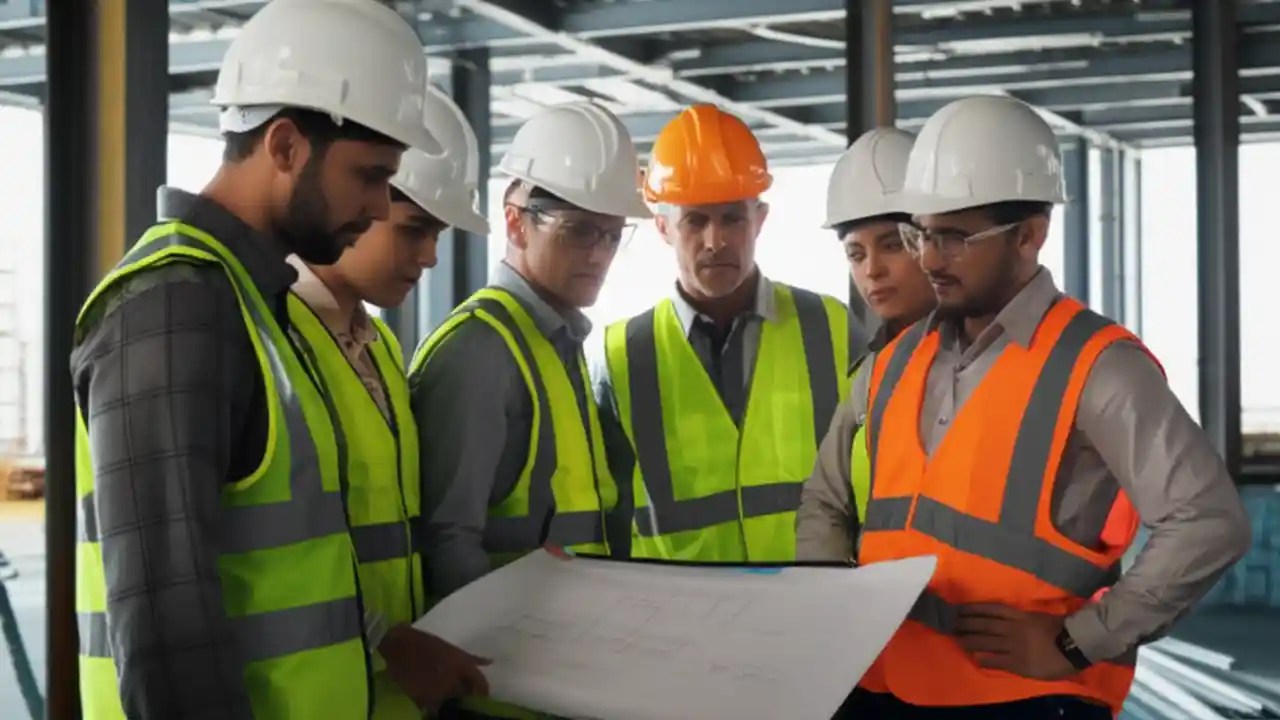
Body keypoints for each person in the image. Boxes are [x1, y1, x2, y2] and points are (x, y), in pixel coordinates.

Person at [69, 1, 484, 717]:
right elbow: (166, 630)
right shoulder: (174, 305)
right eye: (371, 175)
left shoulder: (254, 305)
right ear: (286, 145)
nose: (383, 208)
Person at [809, 95, 1252, 719]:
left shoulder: (1098, 365)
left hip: (1023, 698)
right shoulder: (896, 360)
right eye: (923, 234)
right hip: (883, 685)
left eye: (955, 238)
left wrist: (1079, 641)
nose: (929, 259)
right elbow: (824, 500)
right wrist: (824, 624)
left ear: (1030, 234)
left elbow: (1208, 522)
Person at [408, 100, 650, 719]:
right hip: (505, 694)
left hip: (562, 683)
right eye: (578, 230)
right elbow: (445, 536)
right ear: (516, 223)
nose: (599, 253)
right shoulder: (481, 351)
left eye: (612, 234)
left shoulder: (557, 345)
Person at [284, 83, 491, 719]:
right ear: (362, 201)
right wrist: (383, 639)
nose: (430, 256)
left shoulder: (380, 350)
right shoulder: (275, 343)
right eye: (414, 230)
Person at [595, 104, 864, 563]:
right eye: (695, 221)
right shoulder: (619, 356)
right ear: (663, 228)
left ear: (759, 219)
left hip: (809, 612)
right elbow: (606, 516)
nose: (715, 240)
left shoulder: (832, 328)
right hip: (676, 621)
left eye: (732, 218)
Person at [795, 126, 936, 555]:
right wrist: (834, 604)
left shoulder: (989, 357)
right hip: (877, 614)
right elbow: (825, 504)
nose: (872, 270)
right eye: (856, 254)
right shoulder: (872, 376)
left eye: (891, 246)